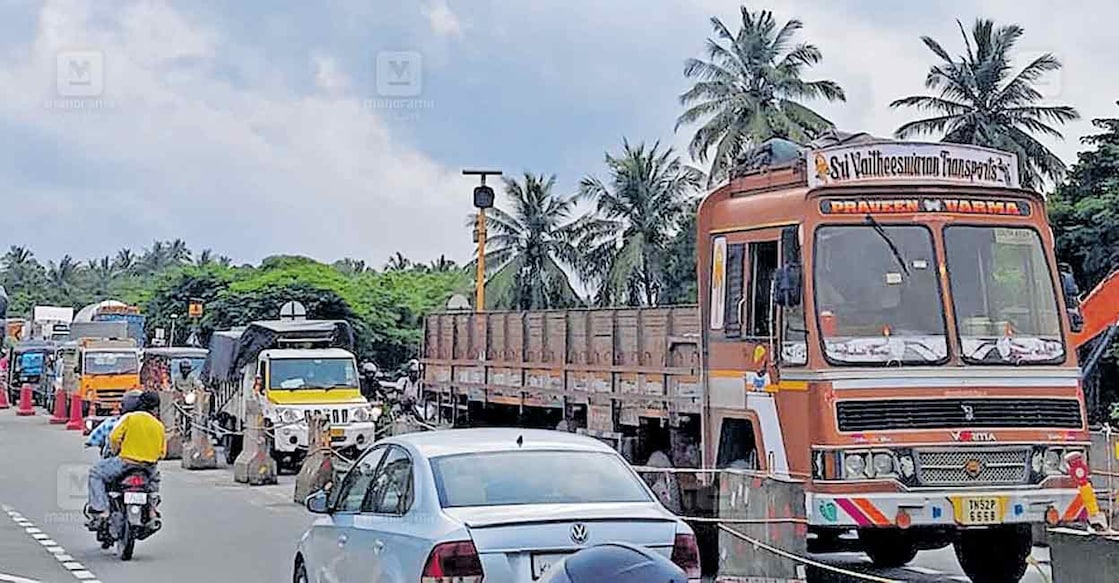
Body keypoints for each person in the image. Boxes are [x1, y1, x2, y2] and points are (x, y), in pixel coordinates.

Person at [86, 391, 165, 527]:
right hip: (148, 467)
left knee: (95, 473)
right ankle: (152, 511)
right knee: (154, 483)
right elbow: (162, 453)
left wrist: (116, 450)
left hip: (126, 462)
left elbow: (114, 438)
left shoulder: (129, 418)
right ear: (156, 408)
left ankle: (101, 510)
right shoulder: (158, 425)